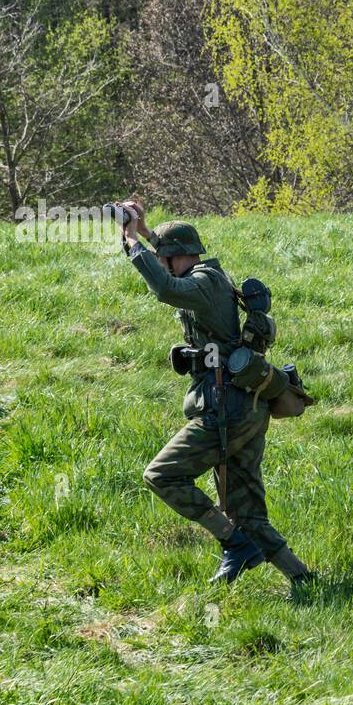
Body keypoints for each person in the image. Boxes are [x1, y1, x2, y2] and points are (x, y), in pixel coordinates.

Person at [117, 199, 313, 589]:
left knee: (161, 475)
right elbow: (172, 264)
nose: (160, 260)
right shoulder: (207, 274)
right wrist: (145, 231)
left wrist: (128, 240)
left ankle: (233, 541)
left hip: (225, 410)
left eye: (162, 255)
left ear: (176, 257)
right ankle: (302, 578)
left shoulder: (204, 283)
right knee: (248, 510)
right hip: (246, 405)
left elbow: (165, 288)